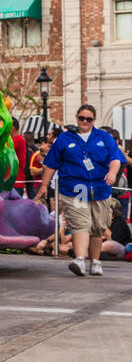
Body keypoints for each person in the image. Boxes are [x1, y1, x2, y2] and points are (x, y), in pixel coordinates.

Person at [34, 103, 124, 276]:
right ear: (77, 117)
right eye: (82, 118)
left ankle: (95, 261)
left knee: (97, 226)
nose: (84, 121)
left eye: (88, 119)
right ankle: (80, 260)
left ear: (94, 120)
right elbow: (51, 164)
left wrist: (112, 173)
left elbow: (115, 158)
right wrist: (44, 185)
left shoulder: (104, 137)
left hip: (100, 187)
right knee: (81, 222)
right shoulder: (65, 139)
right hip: (75, 187)